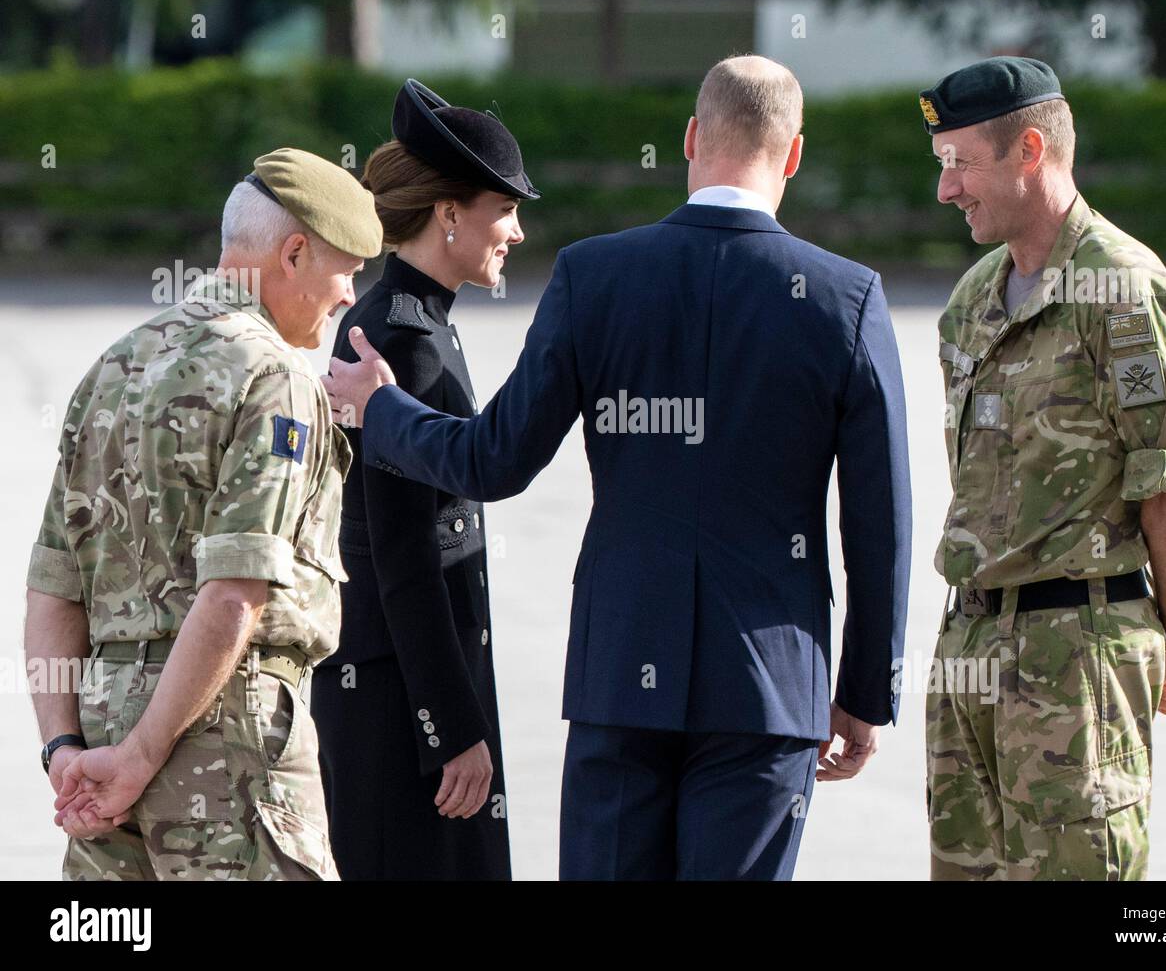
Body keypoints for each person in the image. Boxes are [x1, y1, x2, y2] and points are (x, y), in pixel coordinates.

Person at [323, 55, 912, 881]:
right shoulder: (847, 298)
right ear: (795, 154)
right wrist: (864, 691)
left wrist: (382, 410)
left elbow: (492, 458)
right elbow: (879, 524)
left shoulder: (595, 275)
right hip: (768, 692)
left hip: (619, 679)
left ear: (691, 139)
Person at [25, 148, 383, 879]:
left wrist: (64, 750)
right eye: (346, 270)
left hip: (101, 736)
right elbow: (232, 593)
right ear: (293, 253)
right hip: (227, 738)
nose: (349, 295)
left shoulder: (112, 368)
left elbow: (52, 588)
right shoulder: (276, 376)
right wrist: (143, 755)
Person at [919, 57, 1166, 880]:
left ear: (1029, 150)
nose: (946, 189)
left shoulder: (1119, 288)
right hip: (969, 644)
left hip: (1076, 653)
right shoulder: (974, 298)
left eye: (959, 164)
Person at [311, 79, 536, 880]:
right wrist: (451, 725)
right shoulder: (401, 339)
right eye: (502, 208)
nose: (514, 229)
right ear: (449, 213)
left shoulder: (411, 320)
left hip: (404, 689)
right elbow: (398, 550)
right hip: (399, 705)